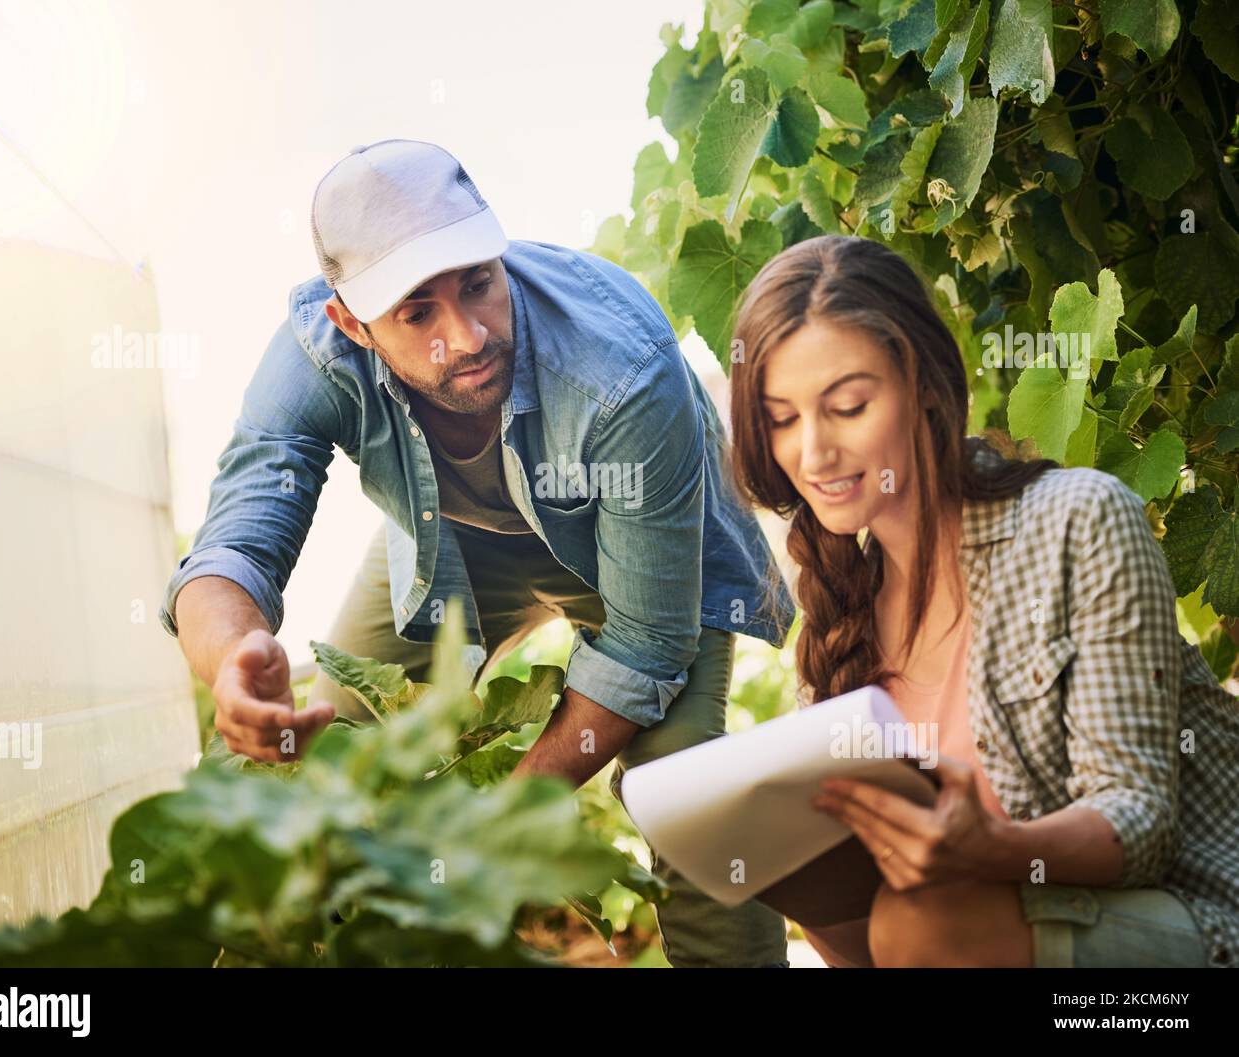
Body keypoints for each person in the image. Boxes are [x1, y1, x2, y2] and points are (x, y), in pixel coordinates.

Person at [159, 138, 795, 967]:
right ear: (352, 322)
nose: (466, 336)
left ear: (498, 250)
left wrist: (492, 833)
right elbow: (232, 548)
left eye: (478, 284)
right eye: (417, 313)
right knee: (271, 763)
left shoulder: (622, 368)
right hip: (454, 549)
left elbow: (646, 647)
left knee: (687, 803)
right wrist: (233, 654)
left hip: (645, 552)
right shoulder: (315, 357)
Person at [727, 233, 1239, 968]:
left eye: (847, 405)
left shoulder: (1078, 521)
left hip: (1190, 925)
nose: (813, 453)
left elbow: (1142, 819)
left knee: (918, 920)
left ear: (925, 386)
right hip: (977, 940)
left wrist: (994, 848)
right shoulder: (843, 620)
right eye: (781, 418)